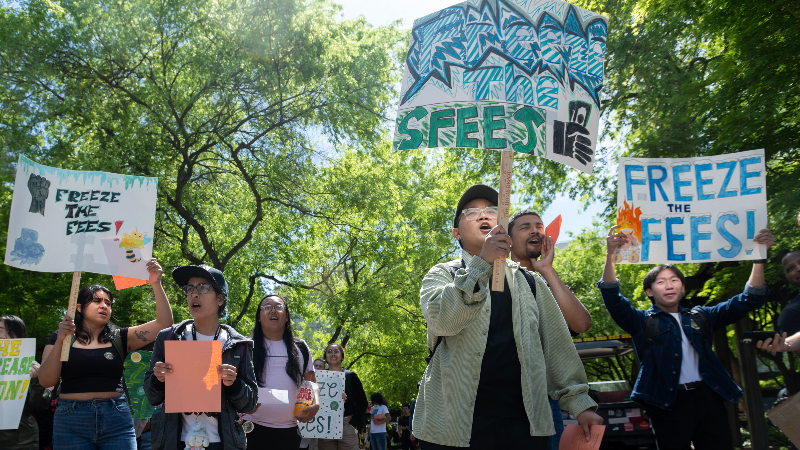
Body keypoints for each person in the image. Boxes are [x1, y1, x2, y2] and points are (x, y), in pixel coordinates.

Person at [416, 184, 602, 450]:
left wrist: (580, 404)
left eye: (492, 211)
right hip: (453, 424)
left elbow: (557, 347)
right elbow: (442, 320)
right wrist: (482, 264)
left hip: (524, 423)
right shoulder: (442, 274)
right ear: (456, 233)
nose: (483, 216)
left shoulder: (532, 282)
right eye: (472, 213)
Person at [597, 225, 775, 450]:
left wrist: (759, 258)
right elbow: (612, 297)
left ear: (682, 288)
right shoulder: (642, 322)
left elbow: (748, 299)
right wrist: (610, 256)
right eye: (660, 282)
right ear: (649, 292)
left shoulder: (702, 316)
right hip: (667, 403)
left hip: (709, 398)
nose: (669, 285)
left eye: (674, 280)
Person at [39, 259, 173, 450]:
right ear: (79, 307)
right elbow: (46, 381)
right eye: (97, 301)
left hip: (117, 419)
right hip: (71, 422)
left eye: (108, 303)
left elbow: (164, 324)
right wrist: (61, 340)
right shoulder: (60, 337)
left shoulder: (121, 337)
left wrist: (156, 283)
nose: (104, 306)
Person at [144, 264, 257, 450]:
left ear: (220, 299)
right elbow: (151, 396)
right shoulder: (168, 337)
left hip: (223, 443)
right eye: (189, 289)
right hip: (175, 441)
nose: (194, 294)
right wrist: (158, 380)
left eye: (203, 288)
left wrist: (234, 384)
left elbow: (249, 403)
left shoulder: (239, 345)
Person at [507, 209, 592, 450]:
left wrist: (547, 270)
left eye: (539, 226)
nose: (535, 230)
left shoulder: (547, 282)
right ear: (509, 240)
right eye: (525, 227)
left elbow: (582, 324)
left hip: (543, 399)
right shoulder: (497, 278)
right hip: (500, 394)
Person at [241, 294, 319, 450]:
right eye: (267, 307)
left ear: (287, 316)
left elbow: (310, 381)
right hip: (251, 429)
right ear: (258, 317)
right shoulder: (245, 347)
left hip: (289, 433)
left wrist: (316, 403)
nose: (273, 311)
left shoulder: (301, 348)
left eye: (278, 307)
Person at [0, 315, 54, 450]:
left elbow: (41, 404)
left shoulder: (30, 366)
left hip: (20, 440)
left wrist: (36, 380)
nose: (2, 336)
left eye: (1, 330)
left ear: (16, 336)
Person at [318, 343, 368, 450]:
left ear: (342, 356)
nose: (333, 354)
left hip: (346, 424)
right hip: (325, 424)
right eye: (329, 351)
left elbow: (363, 402)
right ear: (325, 357)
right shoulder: (319, 378)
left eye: (336, 351)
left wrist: (353, 424)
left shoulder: (351, 376)